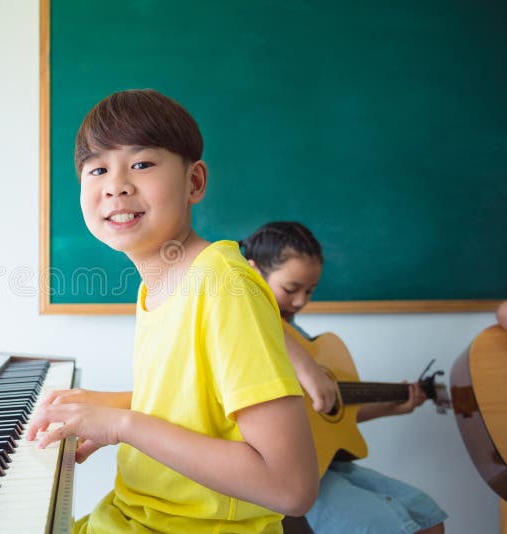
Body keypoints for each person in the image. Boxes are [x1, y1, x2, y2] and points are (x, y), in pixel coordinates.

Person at [26, 90, 319, 533]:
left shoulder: (224, 285)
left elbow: (291, 486)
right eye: (98, 168)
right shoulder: (158, 285)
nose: (116, 184)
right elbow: (205, 406)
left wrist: (123, 424)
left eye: (141, 164)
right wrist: (110, 406)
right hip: (131, 518)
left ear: (195, 183)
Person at [240, 221, 448, 534]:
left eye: (309, 291)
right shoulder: (243, 325)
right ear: (253, 273)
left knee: (429, 521)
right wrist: (307, 370)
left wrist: (394, 407)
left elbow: (328, 422)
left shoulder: (309, 342)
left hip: (330, 466)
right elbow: (246, 312)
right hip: (294, 473)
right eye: (291, 289)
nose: (300, 301)